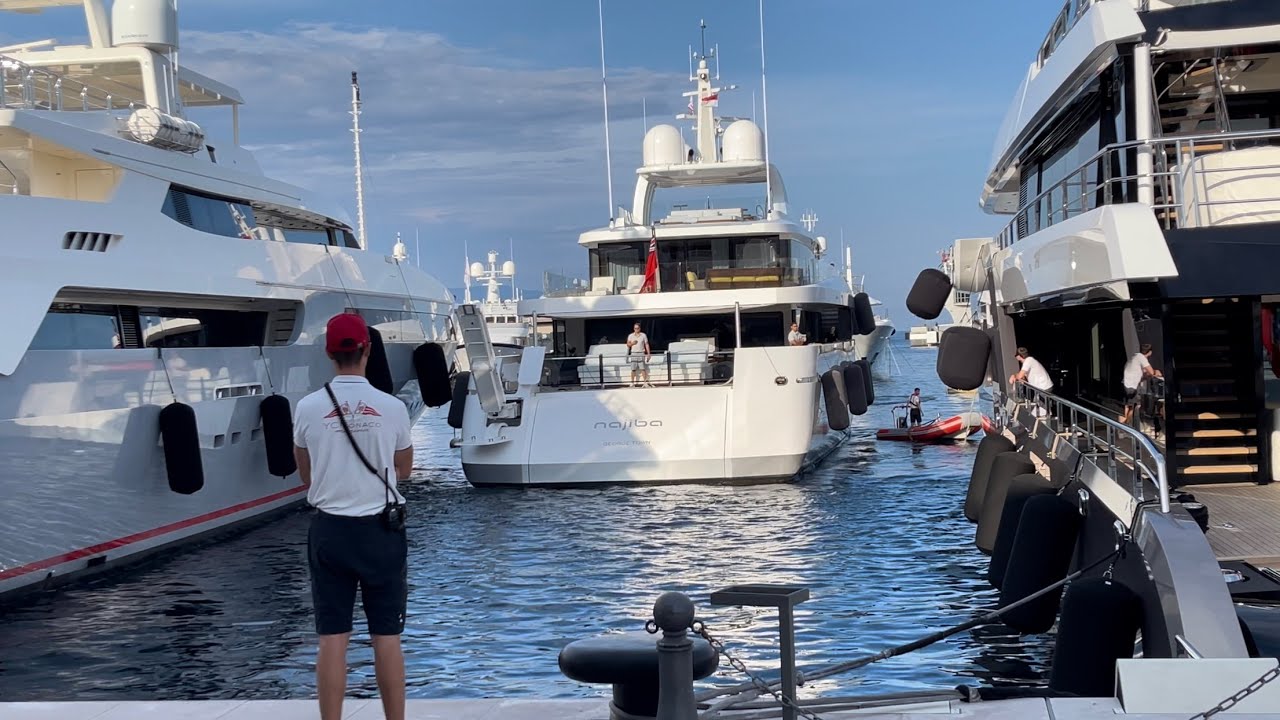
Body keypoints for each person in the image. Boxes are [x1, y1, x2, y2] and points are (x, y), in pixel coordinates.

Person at [293, 313, 414, 720]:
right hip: (380, 532)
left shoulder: (307, 408)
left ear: (329, 353)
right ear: (368, 350)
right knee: (386, 636)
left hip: (329, 531)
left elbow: (306, 474)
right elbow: (404, 470)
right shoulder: (393, 407)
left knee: (332, 638)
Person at [1121, 343, 1162, 425]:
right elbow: (1151, 372)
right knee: (1137, 405)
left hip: (1125, 383)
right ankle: (1127, 425)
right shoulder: (1141, 358)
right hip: (1131, 385)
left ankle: (1123, 425)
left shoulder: (1135, 356)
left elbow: (1141, 373)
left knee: (1128, 405)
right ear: (1150, 352)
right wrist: (1157, 372)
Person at [626, 322, 652, 387]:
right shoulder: (630, 336)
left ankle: (645, 382)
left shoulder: (643, 335)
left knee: (643, 368)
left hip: (641, 353)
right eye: (635, 328)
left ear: (640, 328)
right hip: (633, 353)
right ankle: (632, 383)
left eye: (637, 328)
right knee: (633, 369)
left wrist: (648, 353)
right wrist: (632, 343)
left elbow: (646, 344)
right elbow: (628, 344)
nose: (636, 330)